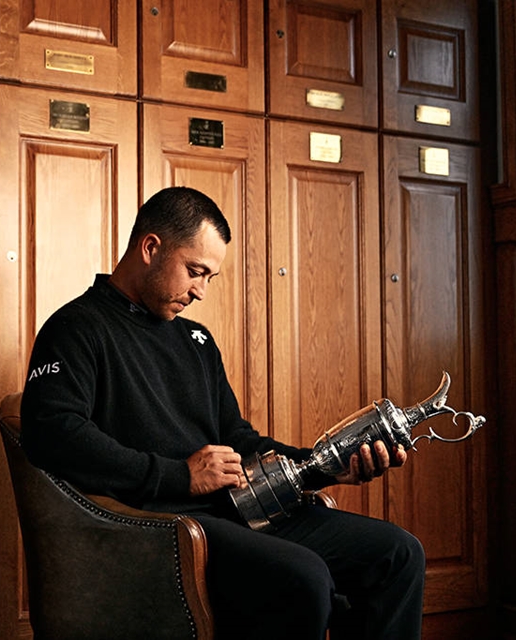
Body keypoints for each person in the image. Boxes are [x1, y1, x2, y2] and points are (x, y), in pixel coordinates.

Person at [21, 186, 425, 639]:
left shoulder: (196, 341)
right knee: (304, 577)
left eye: (210, 277)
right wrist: (180, 476)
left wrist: (328, 466)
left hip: (239, 512)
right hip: (163, 530)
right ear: (151, 248)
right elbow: (51, 433)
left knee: (398, 553)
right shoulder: (76, 327)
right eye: (196, 272)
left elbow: (240, 441)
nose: (200, 292)